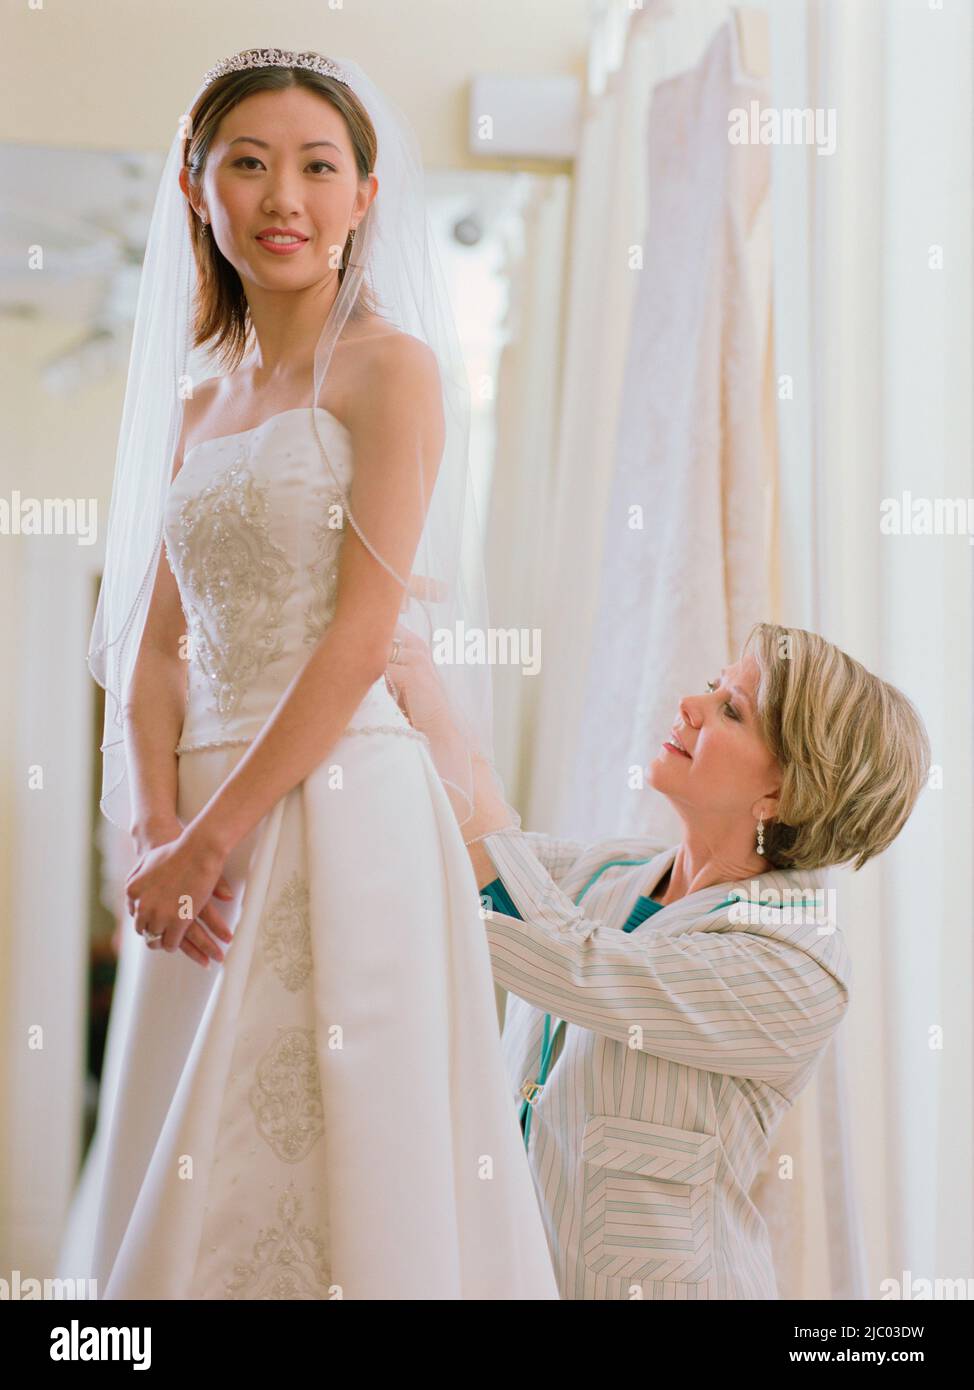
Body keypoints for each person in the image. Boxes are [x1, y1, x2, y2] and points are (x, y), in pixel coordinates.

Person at [58, 49, 558, 1301]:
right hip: (199, 844)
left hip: (346, 810)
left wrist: (209, 837)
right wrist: (159, 830)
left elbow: (356, 640)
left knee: (345, 1152)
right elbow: (157, 648)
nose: (283, 194)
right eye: (247, 162)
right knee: (193, 1155)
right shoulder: (197, 408)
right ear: (196, 190)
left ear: (363, 196)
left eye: (316, 166)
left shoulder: (389, 369)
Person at [386, 620, 931, 1299]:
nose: (690, 707)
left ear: (784, 794)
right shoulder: (618, 869)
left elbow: (569, 957)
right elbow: (477, 862)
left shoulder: (800, 965)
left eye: (731, 710)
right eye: (713, 687)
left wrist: (450, 733)